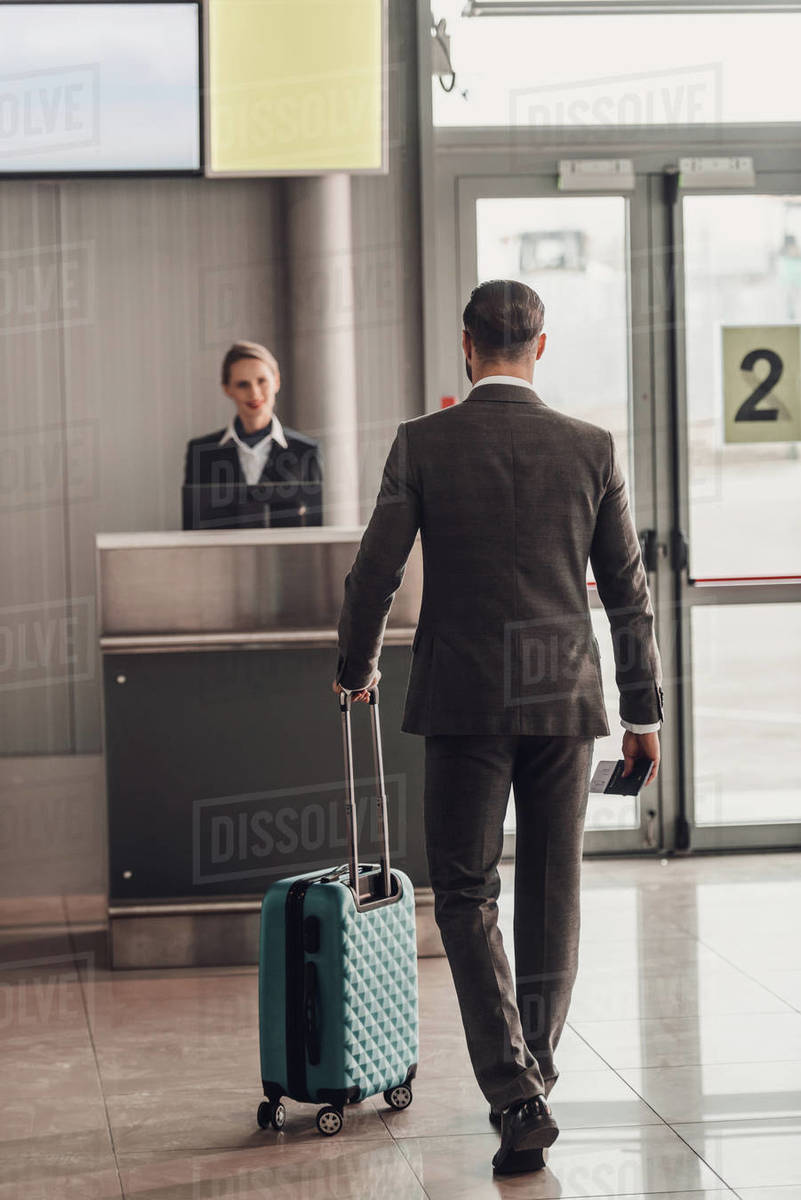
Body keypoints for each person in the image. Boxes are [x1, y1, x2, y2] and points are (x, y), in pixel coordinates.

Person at [332, 279, 663, 1175]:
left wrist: (354, 670)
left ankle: (512, 1091)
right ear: (541, 347)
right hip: (565, 703)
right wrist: (642, 712)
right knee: (553, 887)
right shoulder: (590, 447)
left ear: (465, 346)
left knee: (467, 891)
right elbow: (628, 597)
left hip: (464, 698)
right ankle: (537, 1076)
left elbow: (373, 575)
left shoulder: (424, 444)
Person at [183, 340, 322, 529]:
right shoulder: (201, 452)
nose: (254, 392)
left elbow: (314, 529)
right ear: (227, 389)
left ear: (276, 381)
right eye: (242, 384)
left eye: (261, 381)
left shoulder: (306, 451)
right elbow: (193, 528)